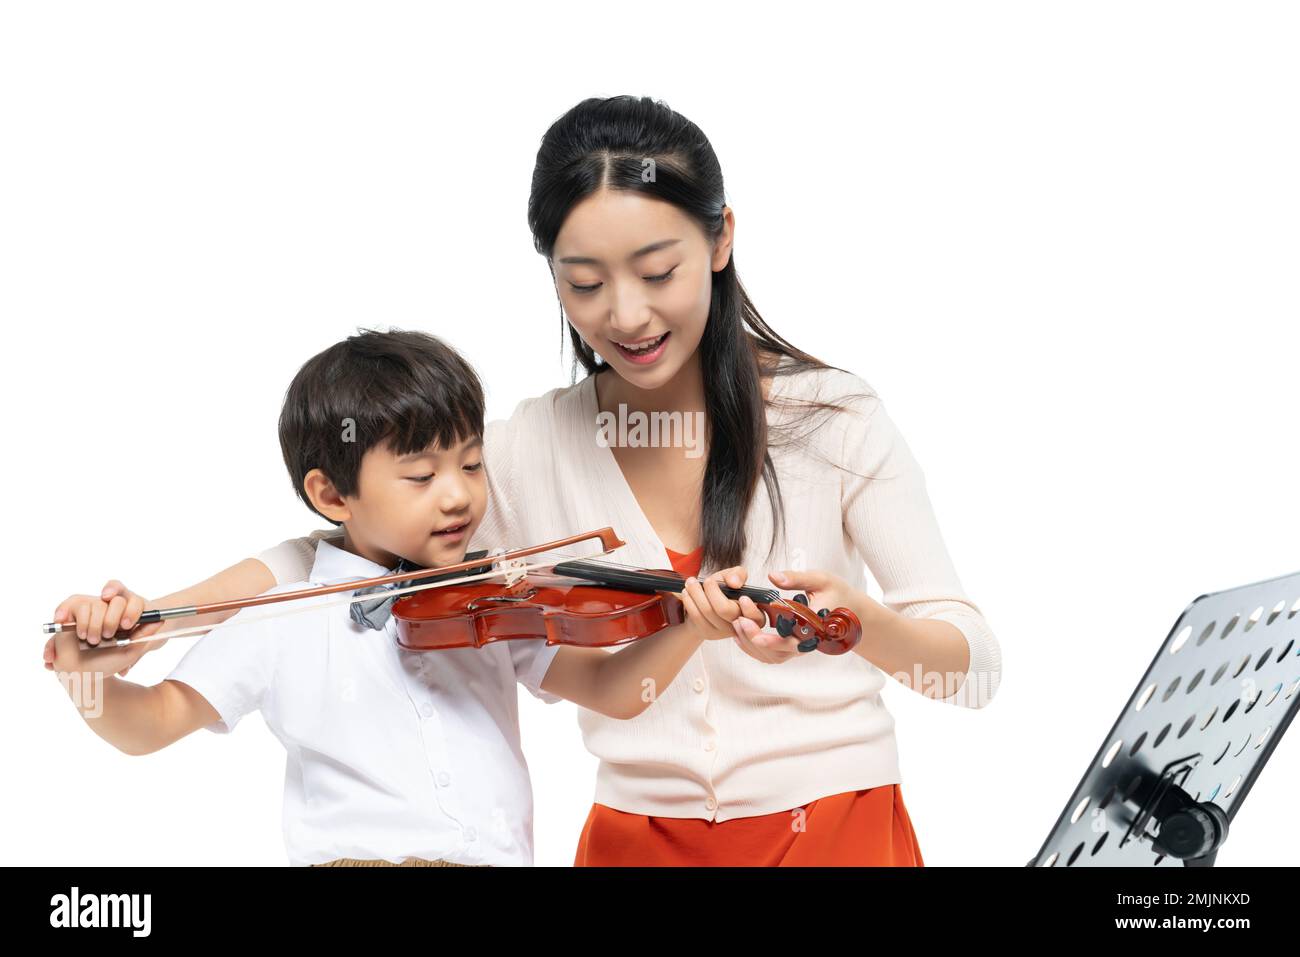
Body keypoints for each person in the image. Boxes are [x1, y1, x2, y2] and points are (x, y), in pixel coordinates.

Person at [50, 95, 1003, 866]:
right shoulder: (517, 450)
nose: (624, 314)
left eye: (657, 269)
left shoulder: (831, 417)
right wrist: (153, 621)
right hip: (635, 843)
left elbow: (970, 670)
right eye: (583, 284)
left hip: (835, 831)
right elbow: (335, 558)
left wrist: (862, 623)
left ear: (720, 241)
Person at [48, 328, 763, 867]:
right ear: (331, 493)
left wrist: (690, 627)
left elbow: (615, 687)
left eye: (472, 463)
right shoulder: (284, 614)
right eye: (420, 476)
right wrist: (88, 679)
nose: (458, 494)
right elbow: (149, 723)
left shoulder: (487, 601)